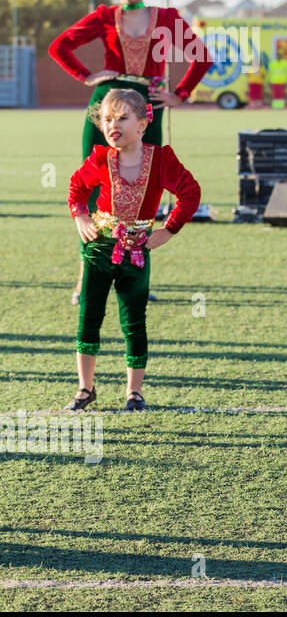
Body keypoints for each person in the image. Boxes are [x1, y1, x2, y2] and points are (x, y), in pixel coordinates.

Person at [49, 0, 212, 304]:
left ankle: (135, 277)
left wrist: (178, 94)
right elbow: (59, 46)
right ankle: (87, 275)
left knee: (143, 194)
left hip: (146, 108)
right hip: (104, 108)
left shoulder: (167, 17)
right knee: (94, 194)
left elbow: (202, 56)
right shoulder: (105, 17)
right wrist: (86, 76)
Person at [65, 88, 201, 412]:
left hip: (137, 251)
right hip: (99, 249)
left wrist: (168, 229)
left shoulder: (161, 159)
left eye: (123, 118)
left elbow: (190, 192)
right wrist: (80, 216)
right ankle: (85, 389)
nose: (114, 124)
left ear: (142, 124)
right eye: (108, 118)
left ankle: (134, 392)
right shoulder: (100, 158)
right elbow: (76, 188)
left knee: (134, 321)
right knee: (89, 317)